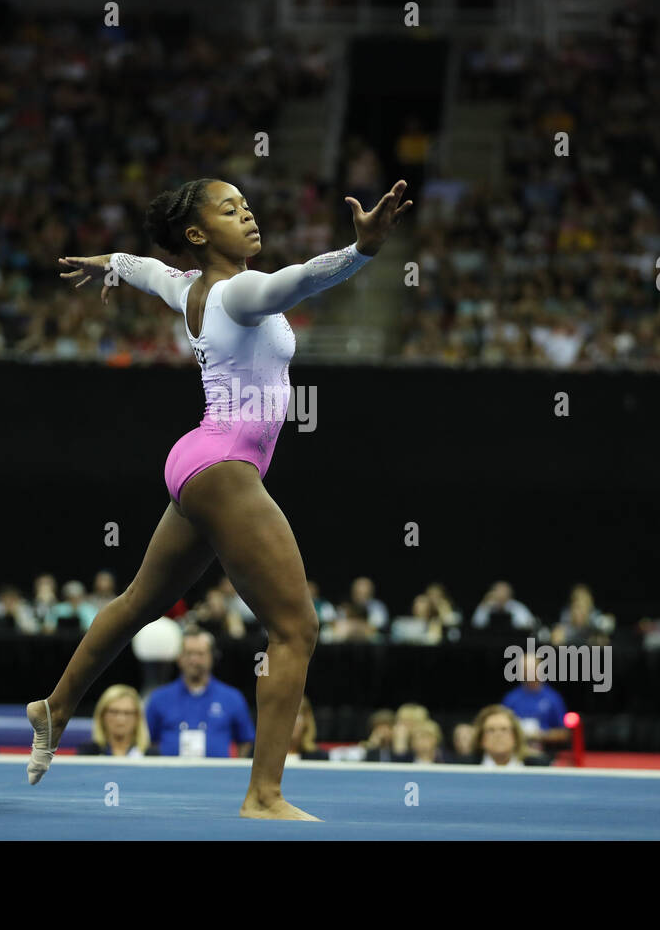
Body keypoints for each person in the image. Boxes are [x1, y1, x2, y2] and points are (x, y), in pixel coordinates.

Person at [36, 177, 410, 820]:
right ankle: (263, 794)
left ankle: (54, 705)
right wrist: (360, 252)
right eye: (231, 209)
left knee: (138, 604)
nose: (249, 214)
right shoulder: (239, 292)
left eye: (247, 204)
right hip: (226, 465)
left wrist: (111, 263)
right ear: (199, 234)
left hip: (201, 462)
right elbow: (295, 282)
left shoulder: (189, 289)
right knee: (295, 629)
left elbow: (150, 269)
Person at [142, 627, 255, 758]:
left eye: (200, 654)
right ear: (179, 658)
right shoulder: (159, 698)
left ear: (212, 657)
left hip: (218, 776)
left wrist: (234, 772)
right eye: (189, 653)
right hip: (170, 776)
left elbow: (246, 741)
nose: (194, 660)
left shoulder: (232, 698)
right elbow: (148, 741)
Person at [501, 653, 570, 753]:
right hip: (515, 753)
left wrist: (541, 735)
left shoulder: (552, 698)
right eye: (525, 669)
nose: (529, 672)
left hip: (544, 753)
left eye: (532, 668)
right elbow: (501, 728)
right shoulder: (511, 698)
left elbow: (564, 733)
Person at [77, 684, 154, 756]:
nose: (120, 719)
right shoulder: (88, 753)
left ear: (137, 717)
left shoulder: (151, 755)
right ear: (102, 715)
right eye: (114, 712)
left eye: (127, 713)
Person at [285, 696, 329, 763]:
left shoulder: (319, 758)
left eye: (296, 714)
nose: (291, 720)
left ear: (306, 720)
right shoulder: (265, 758)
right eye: (286, 714)